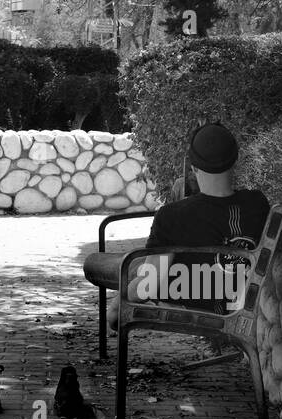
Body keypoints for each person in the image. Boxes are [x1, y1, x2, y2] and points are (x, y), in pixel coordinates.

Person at [86, 123, 270, 330]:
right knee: (141, 265)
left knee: (113, 266)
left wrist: (117, 307)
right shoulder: (257, 204)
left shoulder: (172, 216)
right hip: (235, 304)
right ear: (235, 160)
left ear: (193, 167)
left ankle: (104, 283)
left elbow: (150, 285)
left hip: (193, 308)